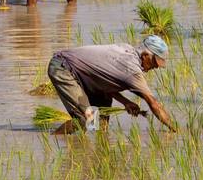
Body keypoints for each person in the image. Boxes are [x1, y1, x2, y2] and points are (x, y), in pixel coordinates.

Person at [47, 35, 176, 134]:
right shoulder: (132, 69)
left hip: (84, 75)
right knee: (85, 119)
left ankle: (99, 149)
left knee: (101, 114)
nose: (156, 67)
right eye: (155, 62)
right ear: (145, 55)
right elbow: (153, 103)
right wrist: (174, 129)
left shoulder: (128, 50)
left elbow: (104, 80)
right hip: (63, 68)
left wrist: (125, 102)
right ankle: (52, 141)